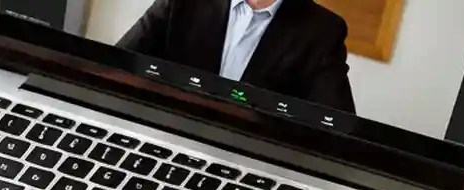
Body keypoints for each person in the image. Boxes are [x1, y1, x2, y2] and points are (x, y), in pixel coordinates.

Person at [117, 0, 356, 113]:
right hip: (166, 140)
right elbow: (114, 68)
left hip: (251, 165)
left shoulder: (323, 31)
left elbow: (336, 129)